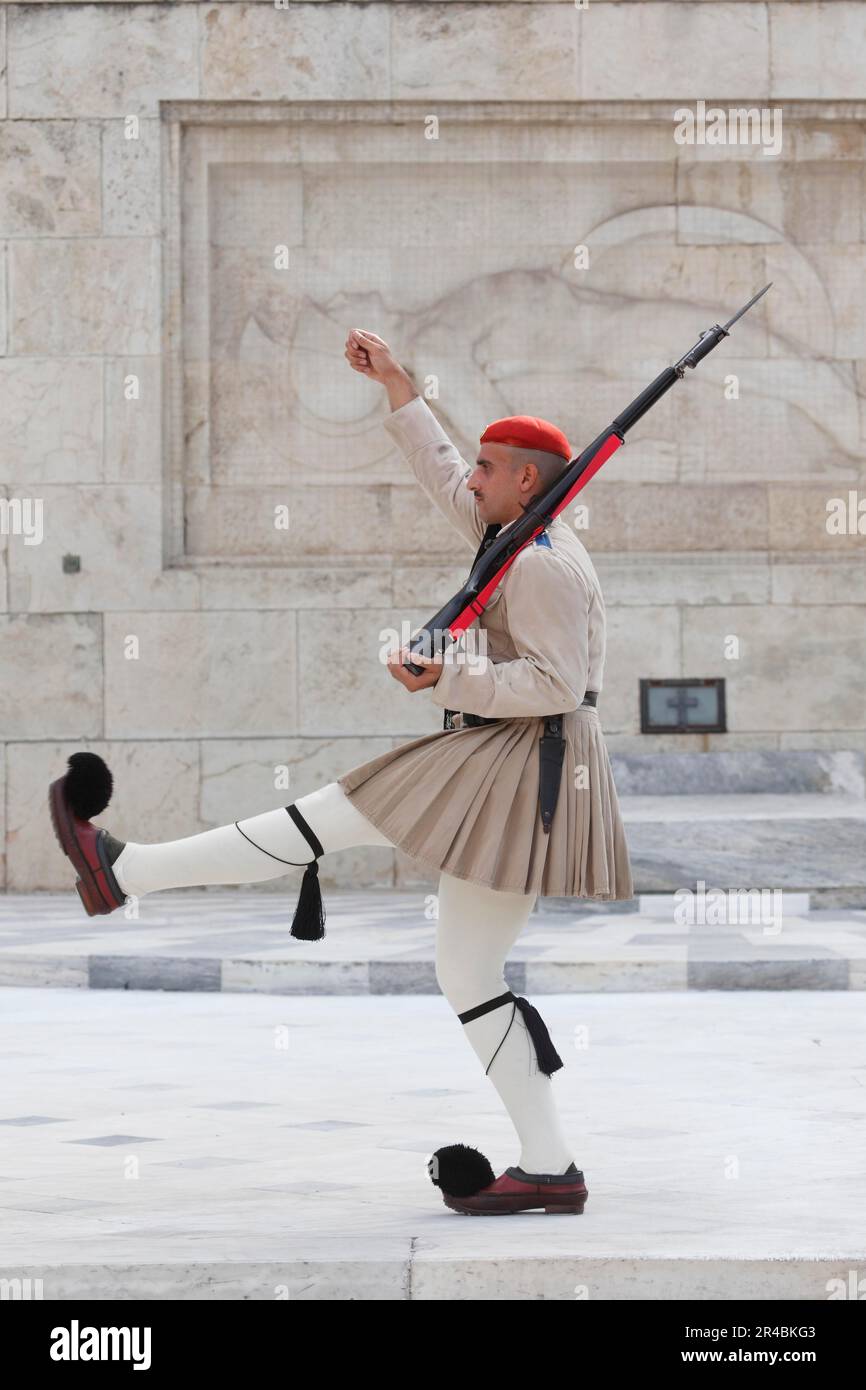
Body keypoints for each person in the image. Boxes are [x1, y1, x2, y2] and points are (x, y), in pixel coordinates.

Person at [48, 328, 633, 1216]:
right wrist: (398, 385)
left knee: (332, 813)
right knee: (469, 975)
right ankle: (550, 1165)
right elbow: (442, 478)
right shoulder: (511, 533)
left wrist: (447, 673)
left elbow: (556, 684)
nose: (470, 478)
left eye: (487, 466)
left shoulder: (545, 564)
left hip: (522, 760)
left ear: (526, 481)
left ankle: (125, 872)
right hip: (510, 756)